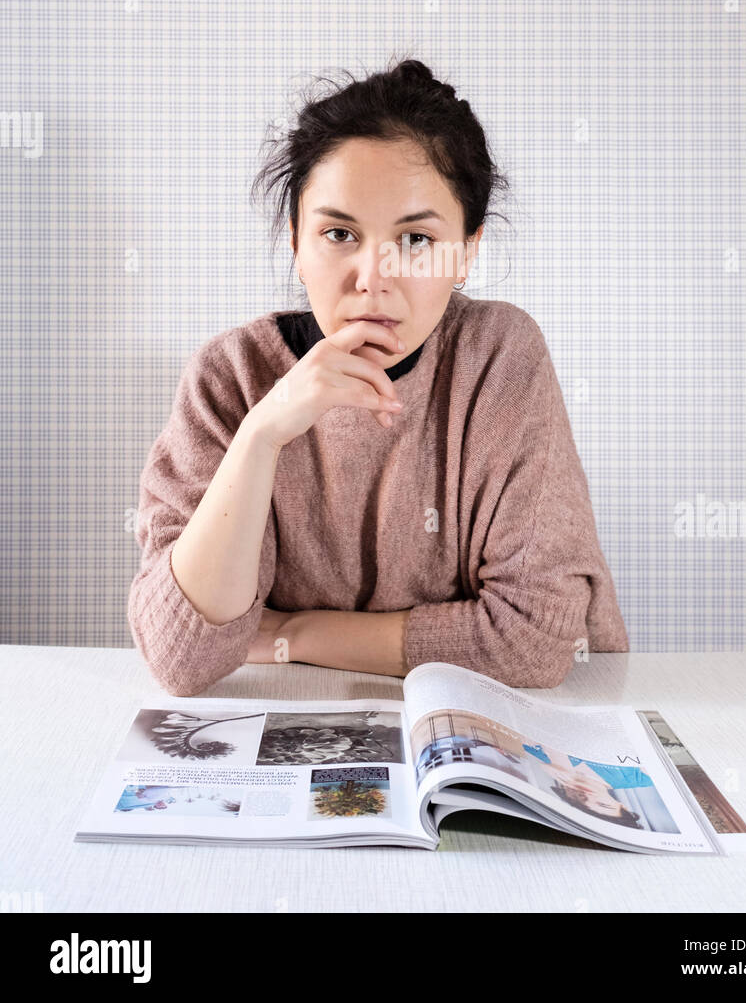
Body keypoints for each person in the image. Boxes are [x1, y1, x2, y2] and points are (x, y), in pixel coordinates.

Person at [128, 58, 629, 697]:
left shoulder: (501, 358)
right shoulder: (228, 378)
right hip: (300, 722)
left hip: (528, 725)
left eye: (416, 240)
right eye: (339, 233)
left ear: (466, 252)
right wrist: (261, 436)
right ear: (295, 243)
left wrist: (297, 634)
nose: (373, 277)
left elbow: (530, 644)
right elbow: (183, 657)